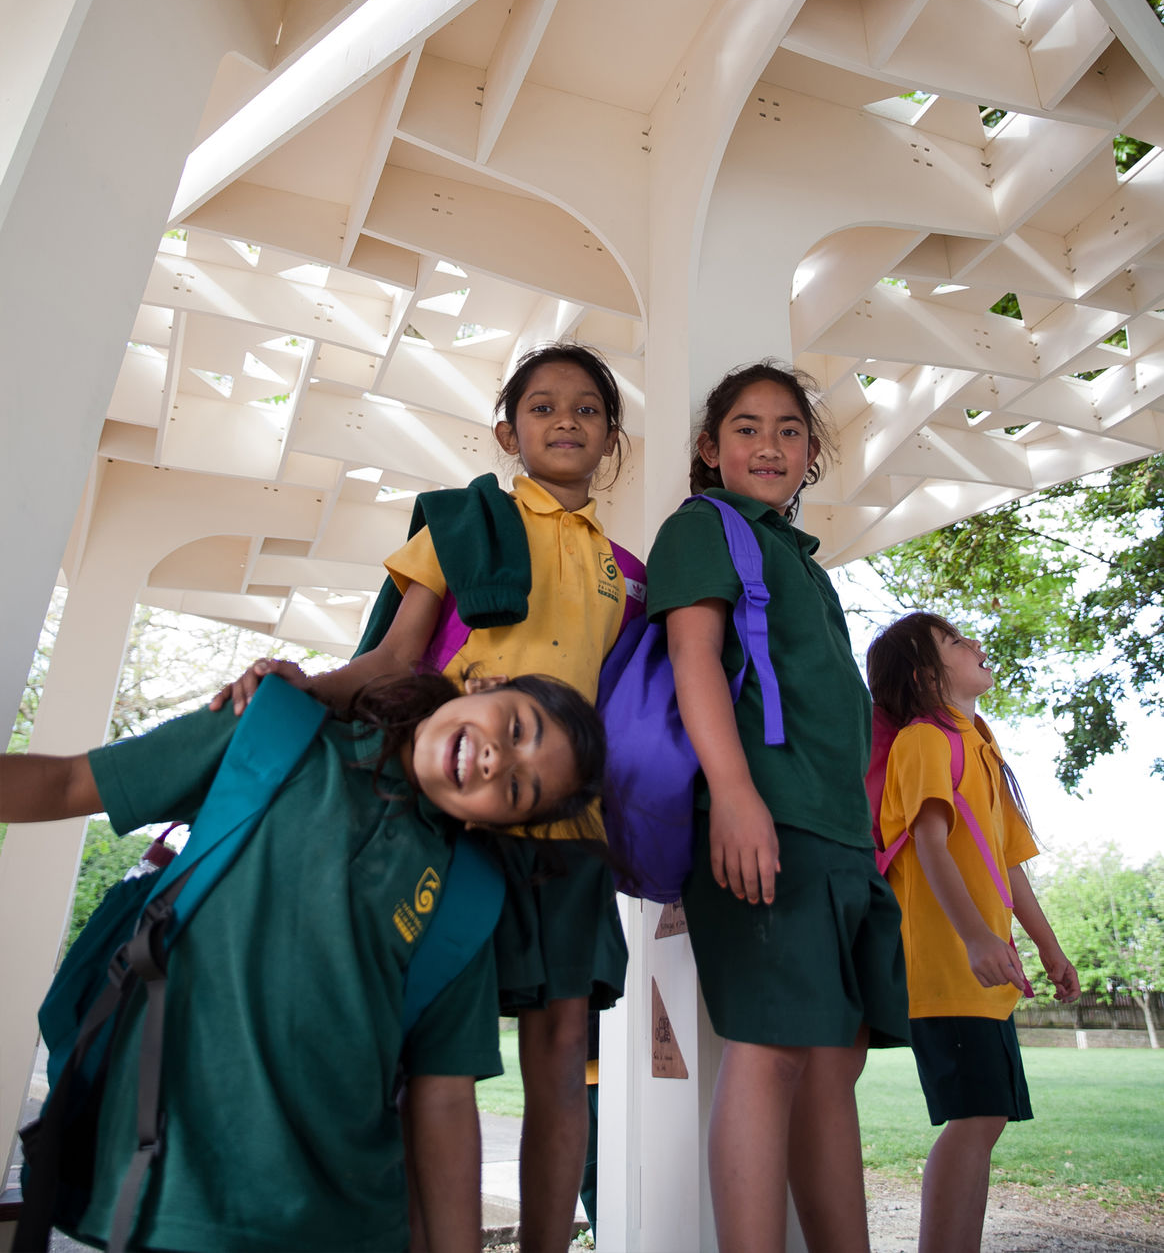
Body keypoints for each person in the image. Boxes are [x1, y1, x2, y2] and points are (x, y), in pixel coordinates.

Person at [212, 342, 642, 1253]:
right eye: (542, 406)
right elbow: (395, 661)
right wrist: (296, 685)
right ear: (507, 430)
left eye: (587, 409)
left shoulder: (629, 572)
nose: (565, 420)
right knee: (424, 1047)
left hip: (570, 831)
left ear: (611, 438)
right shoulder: (459, 524)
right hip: (455, 816)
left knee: (563, 1056)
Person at [1, 669, 605, 1253]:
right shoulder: (271, 730)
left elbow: (444, 1099)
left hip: (347, 1224)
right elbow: (65, 784)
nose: (501, 760)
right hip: (170, 1193)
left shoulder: (467, 897)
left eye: (518, 791)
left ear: (489, 821)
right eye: (521, 729)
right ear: (488, 684)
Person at [644, 362, 910, 1253]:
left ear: (810, 455)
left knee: (832, 1067)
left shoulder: (801, 561)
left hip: (838, 840)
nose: (769, 444)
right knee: (770, 1054)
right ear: (711, 450)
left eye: (790, 430)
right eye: (747, 428)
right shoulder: (702, 527)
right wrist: (736, 797)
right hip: (768, 821)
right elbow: (693, 662)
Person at [866, 612, 1080, 1253]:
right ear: (926, 674)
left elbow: (1006, 864)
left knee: (984, 1120)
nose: (976, 645)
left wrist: (1047, 945)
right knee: (976, 1118)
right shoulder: (925, 741)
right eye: (956, 642)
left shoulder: (979, 744)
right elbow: (929, 844)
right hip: (948, 968)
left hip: (981, 971)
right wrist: (975, 939)